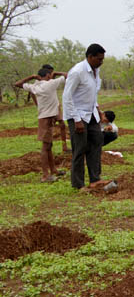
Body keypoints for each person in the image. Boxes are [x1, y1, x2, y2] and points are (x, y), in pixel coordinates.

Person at [62, 44, 107, 189]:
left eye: (102, 59)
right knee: (80, 149)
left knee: (96, 143)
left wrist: (98, 110)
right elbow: (67, 97)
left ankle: (95, 179)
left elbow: (91, 94)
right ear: (90, 57)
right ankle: (78, 185)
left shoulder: (96, 71)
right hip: (78, 115)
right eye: (99, 59)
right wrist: (76, 120)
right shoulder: (77, 71)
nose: (101, 62)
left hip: (91, 113)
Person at [14, 67, 69, 182]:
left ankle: (53, 170)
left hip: (45, 118)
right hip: (46, 119)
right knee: (45, 147)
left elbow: (17, 84)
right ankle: (45, 175)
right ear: (48, 75)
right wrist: (57, 72)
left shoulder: (35, 86)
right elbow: (67, 75)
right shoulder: (51, 84)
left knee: (49, 146)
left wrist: (32, 77)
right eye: (50, 74)